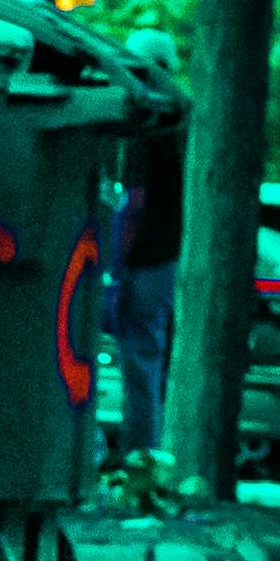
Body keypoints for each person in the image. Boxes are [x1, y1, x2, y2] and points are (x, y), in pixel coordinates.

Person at [102, 111, 184, 472]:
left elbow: (133, 205)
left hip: (143, 264)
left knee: (138, 366)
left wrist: (116, 268)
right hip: (166, 260)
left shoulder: (145, 134)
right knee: (149, 362)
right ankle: (145, 459)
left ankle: (137, 464)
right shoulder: (182, 133)